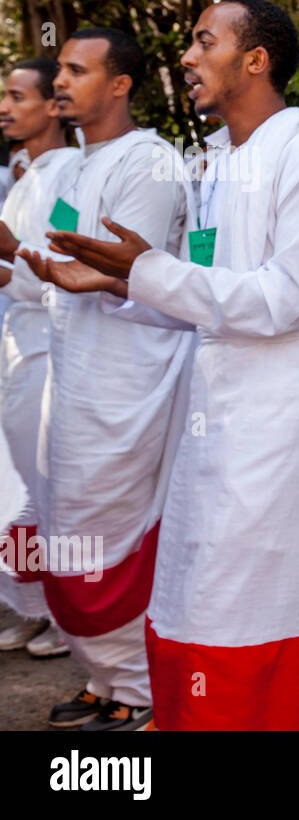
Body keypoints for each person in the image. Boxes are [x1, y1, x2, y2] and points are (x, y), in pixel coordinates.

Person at [28, 0, 299, 729]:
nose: (187, 58)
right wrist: (121, 281)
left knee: (251, 594)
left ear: (255, 60)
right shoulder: (223, 161)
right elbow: (211, 295)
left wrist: (150, 271)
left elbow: (286, 298)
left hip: (283, 411)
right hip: (217, 404)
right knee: (198, 587)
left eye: (202, 42)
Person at [4, 28, 192, 731]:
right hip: (73, 370)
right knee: (71, 526)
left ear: (119, 85)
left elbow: (123, 275)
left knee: (115, 534)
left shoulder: (148, 162)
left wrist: (44, 264)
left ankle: (141, 688)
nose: (60, 82)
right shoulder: (75, 166)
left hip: (130, 376)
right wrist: (25, 258)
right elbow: (54, 264)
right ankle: (105, 673)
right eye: (58, 69)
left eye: (76, 71)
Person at [0, 58, 79, 659]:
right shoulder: (23, 175)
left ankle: (64, 611)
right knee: (21, 487)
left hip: (53, 348)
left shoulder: (71, 173)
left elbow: (62, 267)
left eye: (16, 95)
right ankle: (30, 602)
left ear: (53, 105)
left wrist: (11, 261)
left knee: (49, 489)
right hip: (17, 341)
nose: (4, 106)